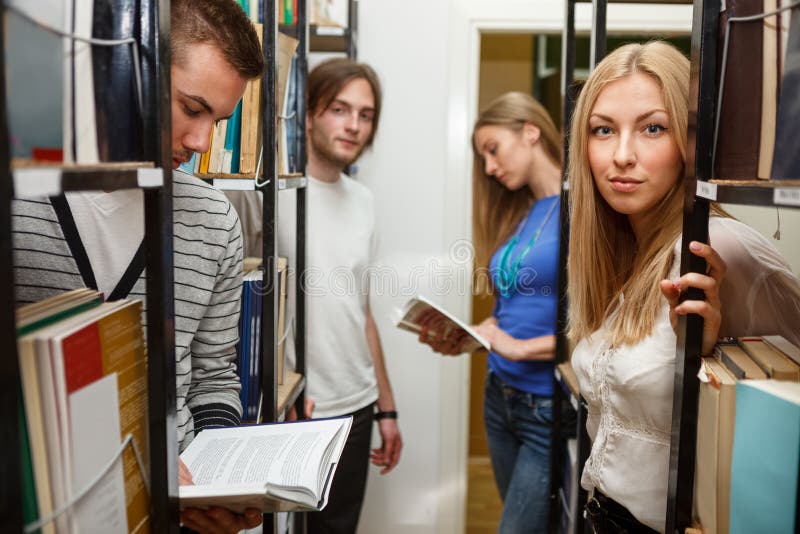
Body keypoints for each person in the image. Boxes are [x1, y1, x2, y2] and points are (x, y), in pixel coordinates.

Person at [12, 1, 266, 532]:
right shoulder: (19, 196)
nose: (201, 145)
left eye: (218, 121)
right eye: (190, 108)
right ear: (133, 70)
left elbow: (214, 375)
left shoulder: (216, 219)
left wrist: (211, 482)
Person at [567, 41, 800, 533]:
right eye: (603, 130)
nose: (622, 155)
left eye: (653, 128)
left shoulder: (724, 249)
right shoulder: (625, 251)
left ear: (691, 143)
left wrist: (714, 356)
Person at [419, 91, 565, 532]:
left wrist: (519, 349)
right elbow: (516, 307)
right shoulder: (524, 213)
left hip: (547, 405)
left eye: (493, 149)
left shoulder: (587, 208)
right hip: (499, 397)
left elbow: (600, 331)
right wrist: (478, 332)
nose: (489, 167)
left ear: (530, 131)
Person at [277, 57, 402, 534]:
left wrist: (386, 408)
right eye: (339, 109)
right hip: (295, 408)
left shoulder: (363, 201)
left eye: (365, 115)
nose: (353, 125)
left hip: (357, 406)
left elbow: (361, 312)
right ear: (308, 113)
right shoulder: (268, 196)